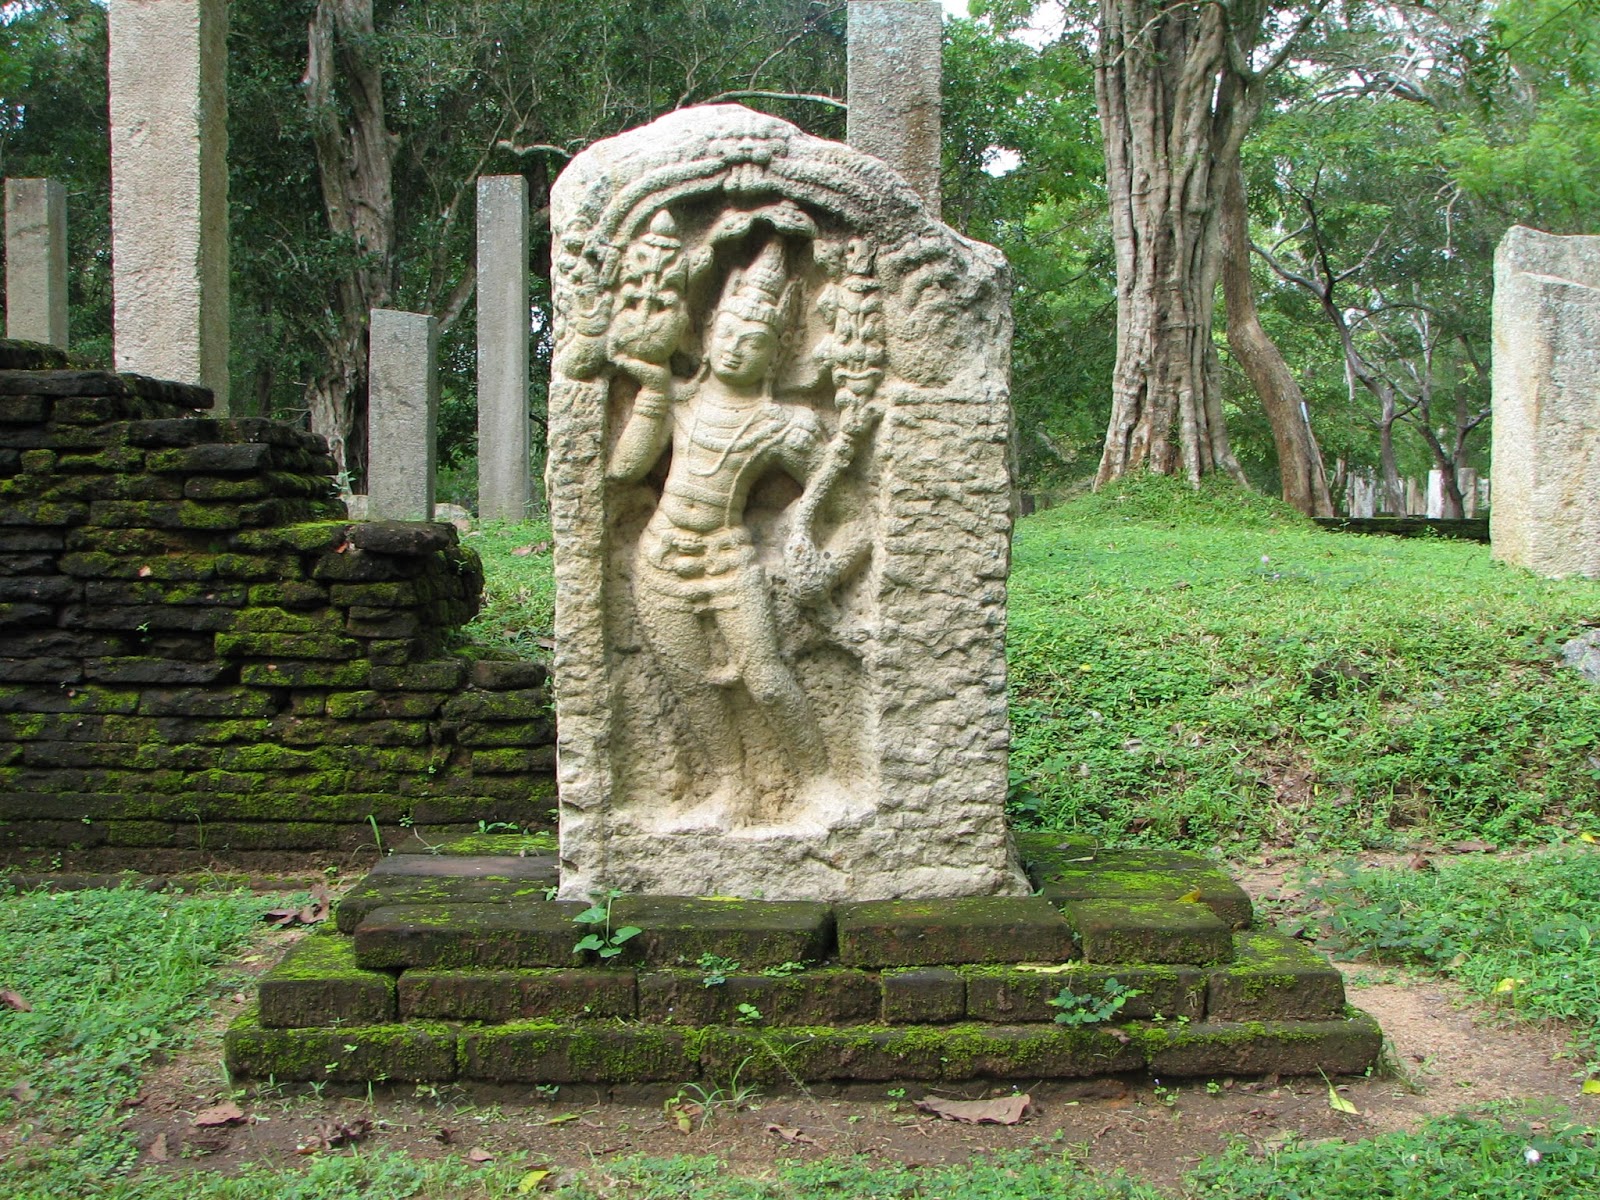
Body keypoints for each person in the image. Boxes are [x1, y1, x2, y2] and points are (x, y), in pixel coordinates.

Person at [607, 231, 829, 811]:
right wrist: (652, 392)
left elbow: (836, 503)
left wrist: (813, 544)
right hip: (660, 557)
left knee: (765, 677)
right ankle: (730, 783)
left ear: (776, 354)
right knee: (691, 684)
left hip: (730, 559)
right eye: (726, 333)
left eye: (752, 341)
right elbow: (624, 469)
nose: (734, 348)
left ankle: (819, 780)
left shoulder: (785, 424)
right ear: (708, 335)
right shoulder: (679, 401)